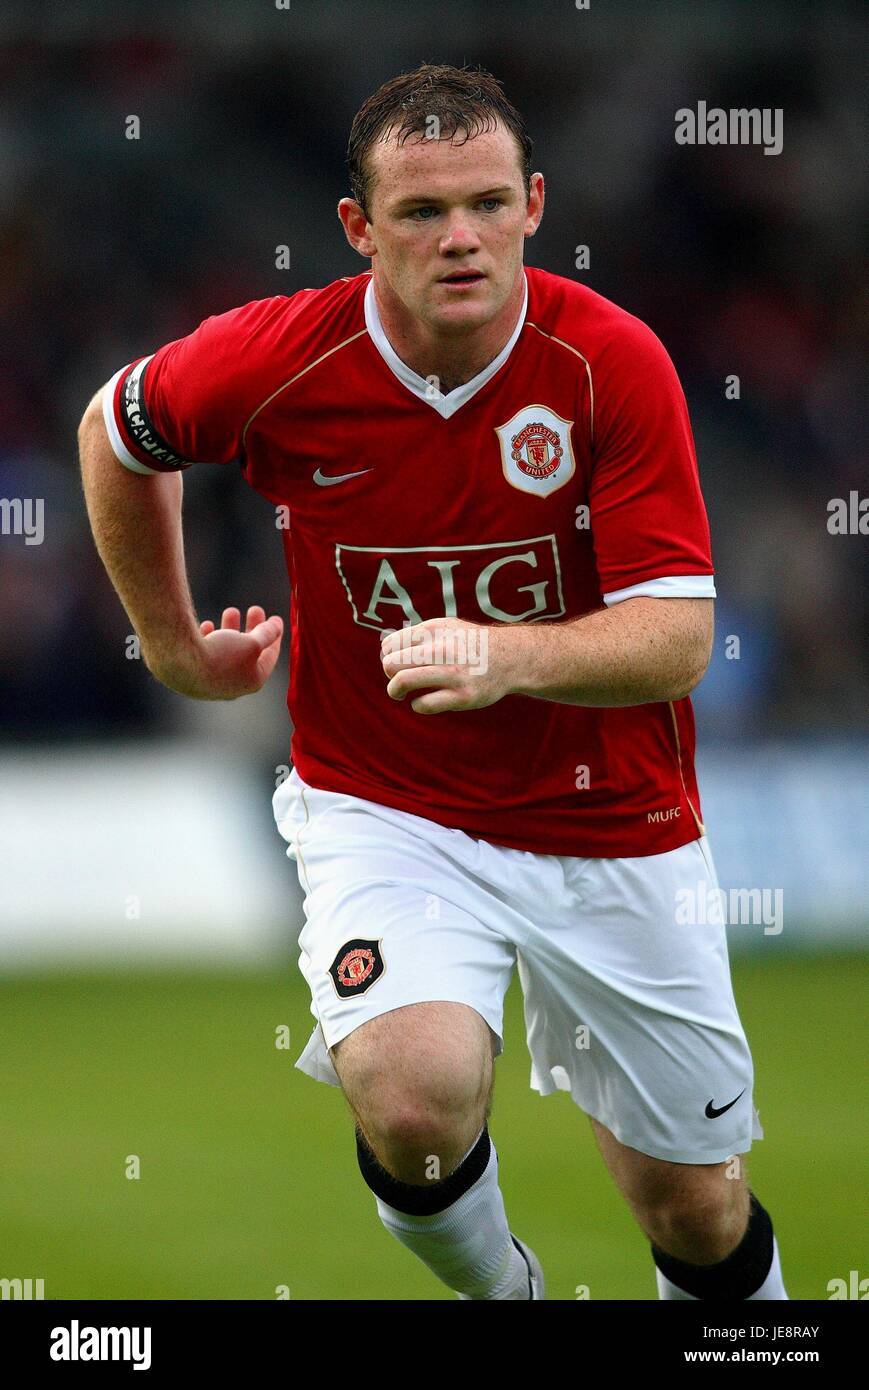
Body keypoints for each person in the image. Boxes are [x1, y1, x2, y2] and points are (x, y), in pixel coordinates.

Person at [78, 63, 787, 1301]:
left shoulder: (608, 364)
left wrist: (498, 651)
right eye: (419, 212)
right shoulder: (281, 358)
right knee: (409, 1099)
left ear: (532, 204)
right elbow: (113, 431)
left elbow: (675, 635)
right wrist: (177, 644)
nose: (458, 236)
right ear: (358, 228)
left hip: (612, 826)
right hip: (388, 810)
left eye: (485, 202)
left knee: (695, 1209)